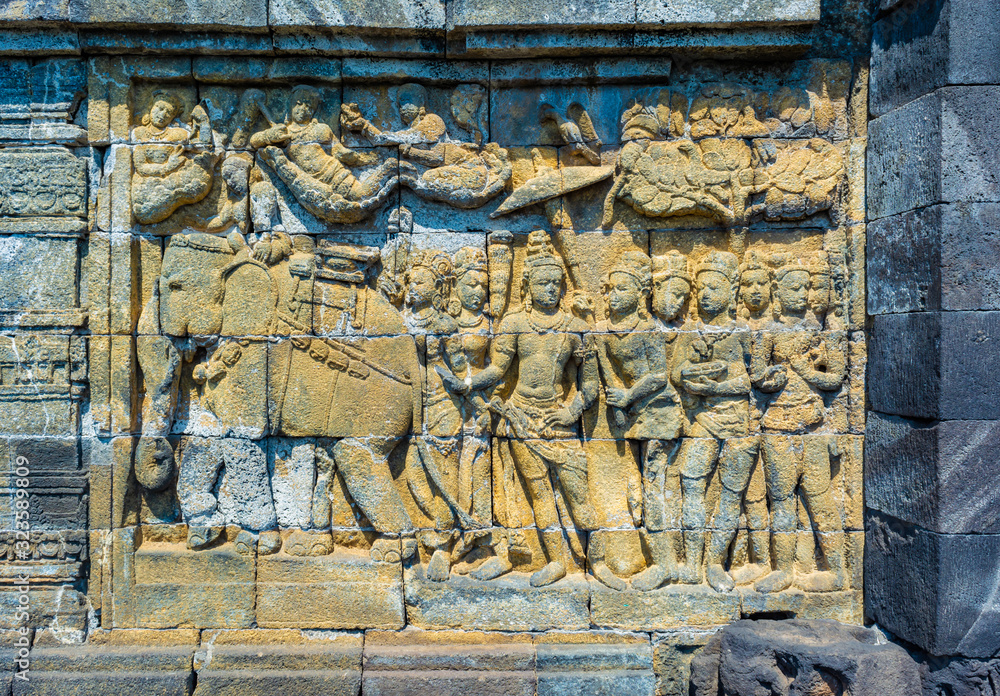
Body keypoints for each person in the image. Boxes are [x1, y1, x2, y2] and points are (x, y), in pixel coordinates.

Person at [448, 231, 600, 587]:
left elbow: (591, 385)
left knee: (580, 496)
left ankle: (598, 562)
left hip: (558, 418)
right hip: (520, 416)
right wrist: (468, 383)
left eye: (556, 284)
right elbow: (499, 370)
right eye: (543, 283)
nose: (551, 289)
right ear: (528, 285)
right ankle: (557, 561)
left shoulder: (577, 328)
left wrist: (571, 411)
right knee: (539, 494)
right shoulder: (515, 323)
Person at [670, 251, 759, 590]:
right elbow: (675, 372)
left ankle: (715, 564)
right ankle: (692, 561)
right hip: (702, 420)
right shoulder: (692, 332)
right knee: (691, 485)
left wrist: (719, 386)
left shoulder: (742, 332)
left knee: (730, 493)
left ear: (731, 289)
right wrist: (689, 374)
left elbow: (754, 378)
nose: (705, 294)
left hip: (737, 421)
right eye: (701, 287)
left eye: (714, 287)